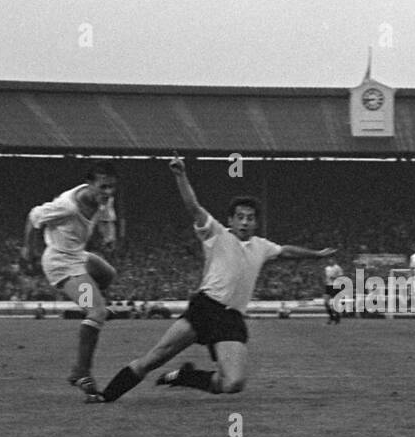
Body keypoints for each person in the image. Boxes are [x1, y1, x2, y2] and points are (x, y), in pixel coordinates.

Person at [88, 155, 334, 403]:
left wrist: (316, 255)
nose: (245, 222)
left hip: (230, 318)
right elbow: (193, 207)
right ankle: (105, 396)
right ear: (230, 220)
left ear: (256, 222)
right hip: (205, 308)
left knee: (233, 383)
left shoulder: (262, 246)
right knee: (154, 358)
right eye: (240, 217)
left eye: (250, 218)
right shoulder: (215, 233)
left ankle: (185, 377)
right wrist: (180, 175)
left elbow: (286, 251)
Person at [22, 161, 119, 396]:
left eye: (111, 187)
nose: (108, 192)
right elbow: (33, 217)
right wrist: (28, 249)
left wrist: (109, 236)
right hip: (60, 263)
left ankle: (91, 308)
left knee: (108, 274)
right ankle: (81, 372)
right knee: (97, 312)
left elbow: (106, 218)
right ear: (89, 184)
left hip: (78, 257)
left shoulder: (103, 199)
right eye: (103, 187)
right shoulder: (67, 206)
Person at [322, 255, 344, 324]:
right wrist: (325, 281)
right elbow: (326, 277)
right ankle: (331, 317)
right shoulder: (327, 268)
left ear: (334, 260)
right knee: (326, 303)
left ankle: (337, 318)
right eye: (329, 259)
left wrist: (334, 278)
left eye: (331, 259)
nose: (330, 260)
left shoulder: (338, 268)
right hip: (328, 286)